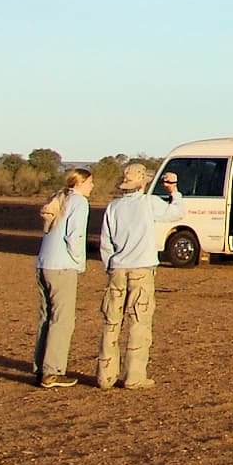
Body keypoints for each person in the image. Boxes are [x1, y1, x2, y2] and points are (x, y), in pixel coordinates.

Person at [96, 163, 183, 390]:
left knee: (111, 321)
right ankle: (134, 376)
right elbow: (176, 212)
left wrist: (110, 267)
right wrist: (173, 191)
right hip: (142, 268)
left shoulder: (113, 207)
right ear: (143, 182)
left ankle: (105, 376)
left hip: (117, 268)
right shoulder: (148, 203)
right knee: (139, 322)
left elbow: (106, 242)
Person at [32, 167, 94, 388]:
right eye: (89, 183)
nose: (92, 187)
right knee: (62, 320)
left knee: (46, 318)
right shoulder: (79, 203)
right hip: (62, 267)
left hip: (43, 264)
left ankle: (40, 369)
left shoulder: (58, 197)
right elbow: (74, 236)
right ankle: (53, 371)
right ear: (80, 183)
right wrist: (79, 262)